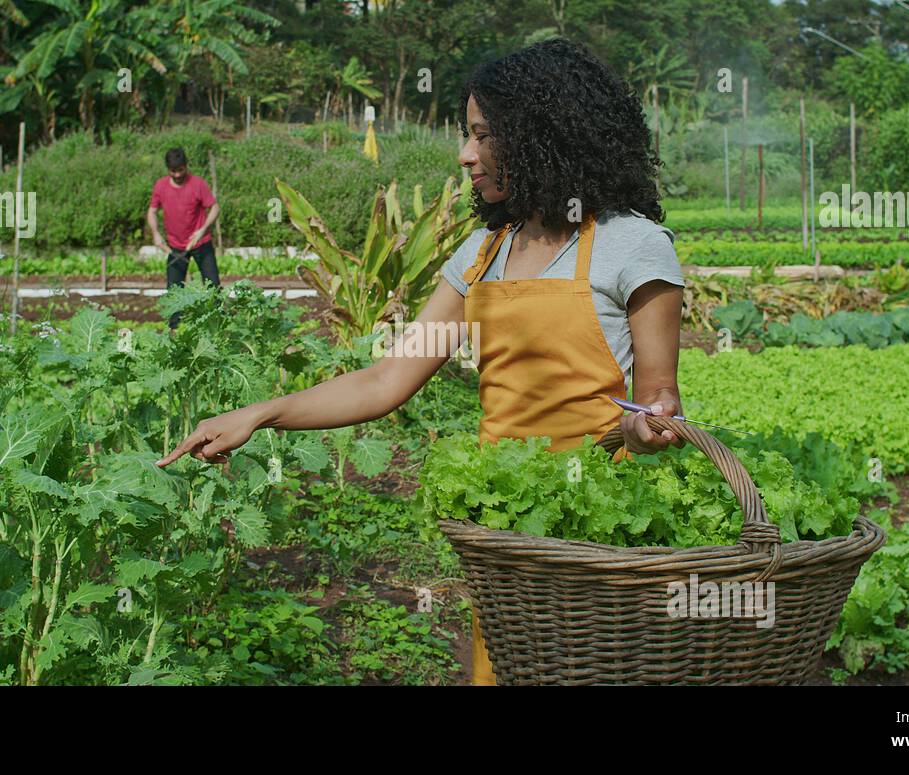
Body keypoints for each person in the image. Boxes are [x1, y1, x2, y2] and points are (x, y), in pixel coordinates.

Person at [156, 38, 687, 684]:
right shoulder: (482, 253)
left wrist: (642, 426)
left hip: (593, 536)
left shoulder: (633, 244)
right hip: (501, 537)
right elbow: (388, 377)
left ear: (537, 136)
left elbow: (659, 403)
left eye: (481, 135)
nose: (465, 154)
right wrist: (262, 413)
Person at [147, 147, 221, 330]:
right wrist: (156, 233)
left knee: (213, 285)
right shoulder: (161, 186)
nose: (178, 174)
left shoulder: (198, 184)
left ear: (186, 166)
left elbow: (215, 208)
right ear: (168, 170)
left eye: (181, 170)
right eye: (173, 171)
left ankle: (218, 325)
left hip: (200, 243)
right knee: (174, 290)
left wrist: (202, 230)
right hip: (175, 247)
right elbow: (152, 211)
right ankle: (174, 329)